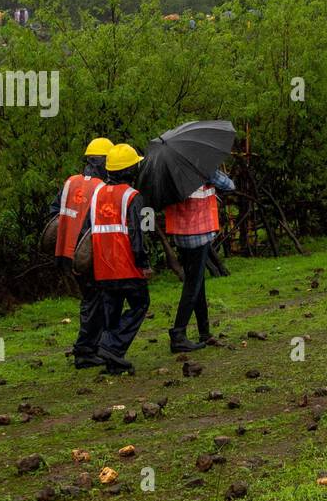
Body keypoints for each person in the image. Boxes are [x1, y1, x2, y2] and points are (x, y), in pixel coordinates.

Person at [85, 143, 152, 375]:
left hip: (103, 268)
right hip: (126, 266)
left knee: (111, 312)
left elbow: (88, 232)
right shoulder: (132, 197)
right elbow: (137, 235)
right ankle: (110, 345)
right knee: (141, 303)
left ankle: (113, 361)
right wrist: (143, 263)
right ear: (130, 171)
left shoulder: (96, 194)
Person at [55, 137, 112, 368]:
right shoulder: (101, 187)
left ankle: (92, 347)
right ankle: (85, 351)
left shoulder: (70, 182)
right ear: (102, 162)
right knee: (94, 301)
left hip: (67, 253)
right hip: (88, 255)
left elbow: (54, 215)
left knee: (92, 300)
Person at [166, 167, 235, 351]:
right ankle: (178, 334)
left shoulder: (172, 171)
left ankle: (204, 331)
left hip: (180, 234)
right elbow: (229, 185)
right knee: (193, 284)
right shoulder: (202, 167)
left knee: (197, 281)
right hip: (199, 232)